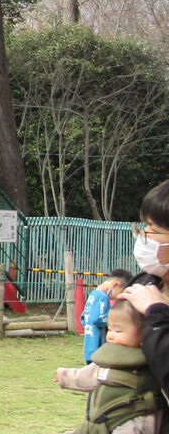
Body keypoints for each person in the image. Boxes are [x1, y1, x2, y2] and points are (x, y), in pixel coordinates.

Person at [55, 299, 163, 434]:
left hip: (137, 418)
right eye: (110, 329)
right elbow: (91, 374)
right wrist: (66, 376)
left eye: (118, 330)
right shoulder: (111, 358)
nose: (111, 335)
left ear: (145, 335)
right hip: (105, 418)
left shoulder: (155, 358)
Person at [123, 179, 169, 410]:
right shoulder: (145, 283)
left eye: (155, 230)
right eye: (145, 226)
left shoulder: (153, 302)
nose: (144, 235)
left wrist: (156, 314)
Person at [84, 269, 134, 363]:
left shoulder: (93, 295)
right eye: (120, 292)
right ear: (115, 285)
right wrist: (116, 322)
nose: (118, 297)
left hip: (88, 346)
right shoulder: (102, 297)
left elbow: (83, 318)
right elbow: (98, 319)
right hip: (97, 346)